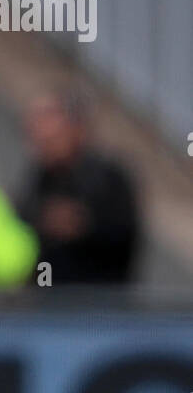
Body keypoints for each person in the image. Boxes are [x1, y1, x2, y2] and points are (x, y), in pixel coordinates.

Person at [17, 90, 139, 285]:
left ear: (76, 131)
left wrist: (83, 224)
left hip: (96, 302)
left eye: (52, 138)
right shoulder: (42, 177)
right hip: (47, 299)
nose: (42, 146)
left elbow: (122, 235)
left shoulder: (107, 177)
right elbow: (20, 218)